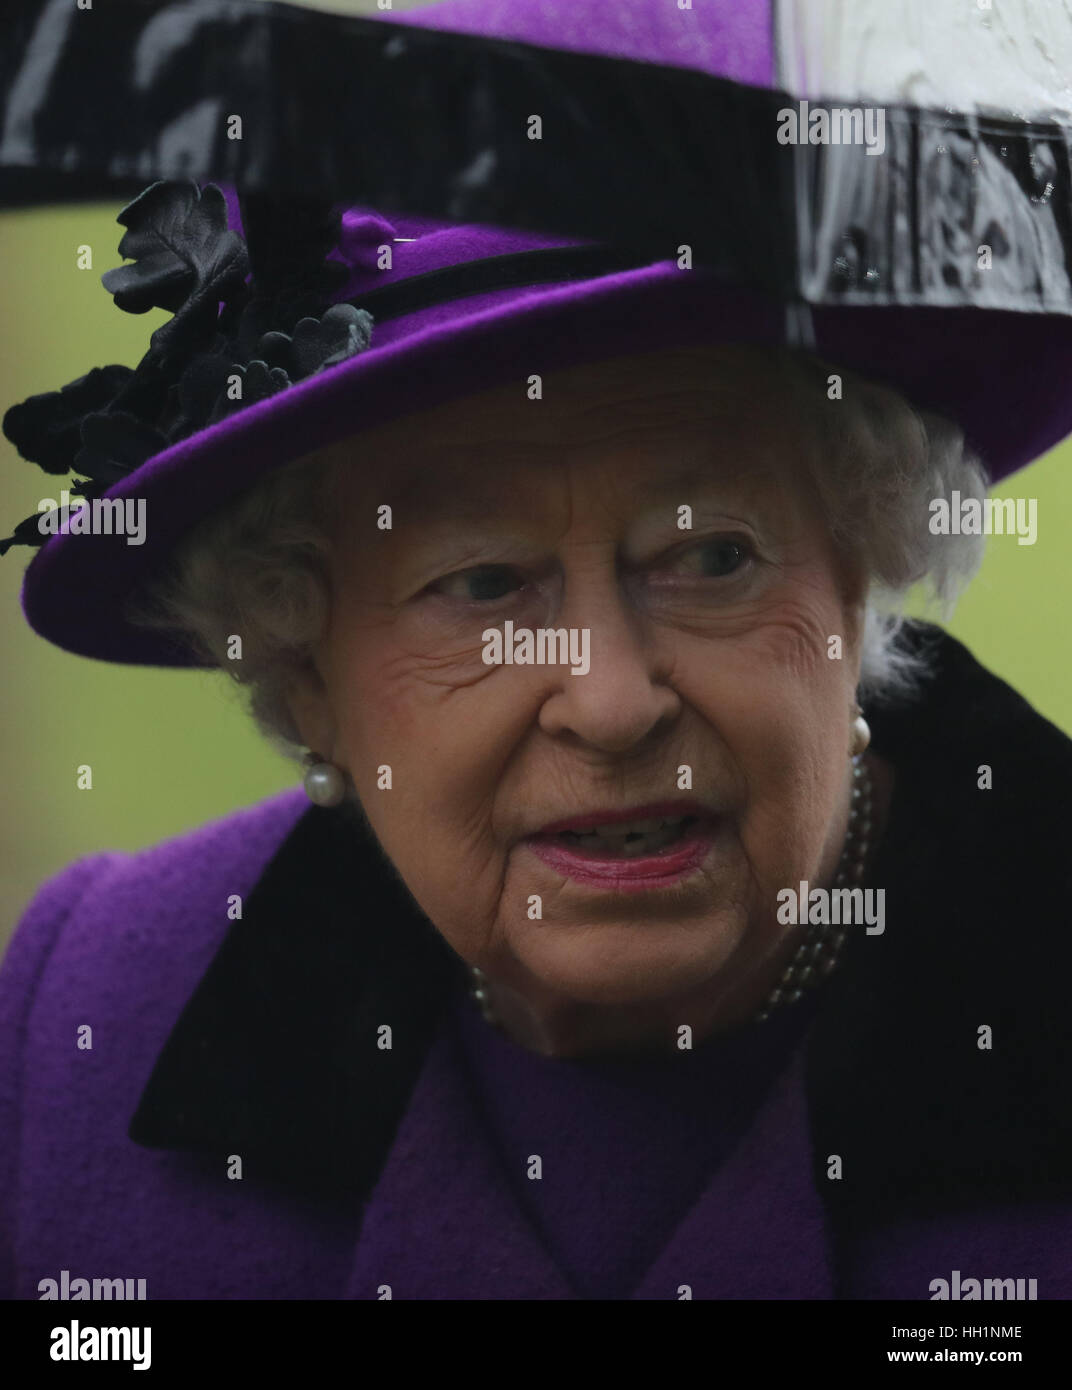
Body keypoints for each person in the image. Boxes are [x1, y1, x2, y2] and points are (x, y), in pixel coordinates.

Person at [1, 0, 1071, 1302]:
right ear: (303, 669)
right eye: (485, 583)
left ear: (862, 562)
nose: (613, 702)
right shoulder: (84, 1026)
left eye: (712, 556)